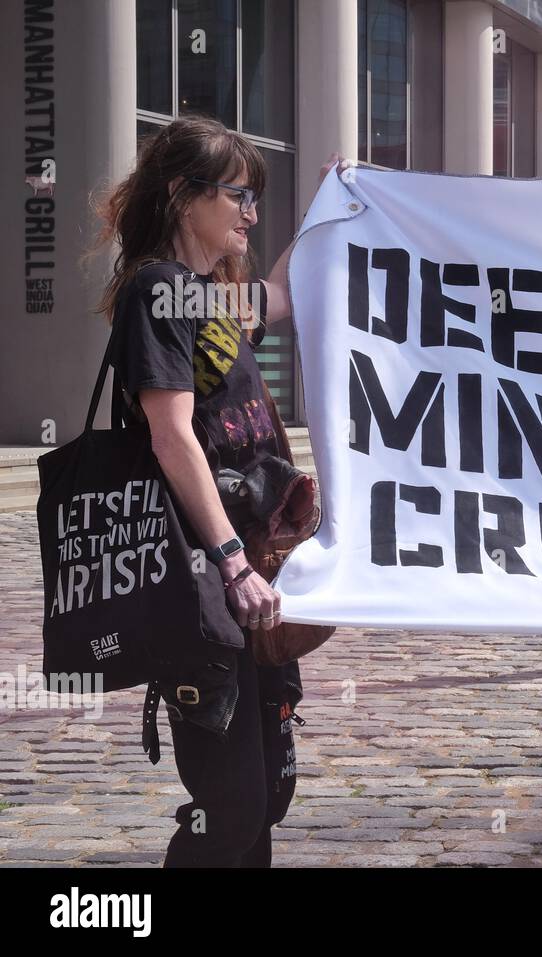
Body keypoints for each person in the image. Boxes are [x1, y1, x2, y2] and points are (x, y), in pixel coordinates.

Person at [93, 115, 347, 866]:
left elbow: (280, 293)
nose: (251, 212)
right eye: (238, 194)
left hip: (254, 577)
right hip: (203, 582)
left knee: (267, 792)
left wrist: (329, 207)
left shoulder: (208, 298)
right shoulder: (155, 294)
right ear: (182, 195)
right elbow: (171, 435)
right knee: (229, 802)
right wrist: (232, 559)